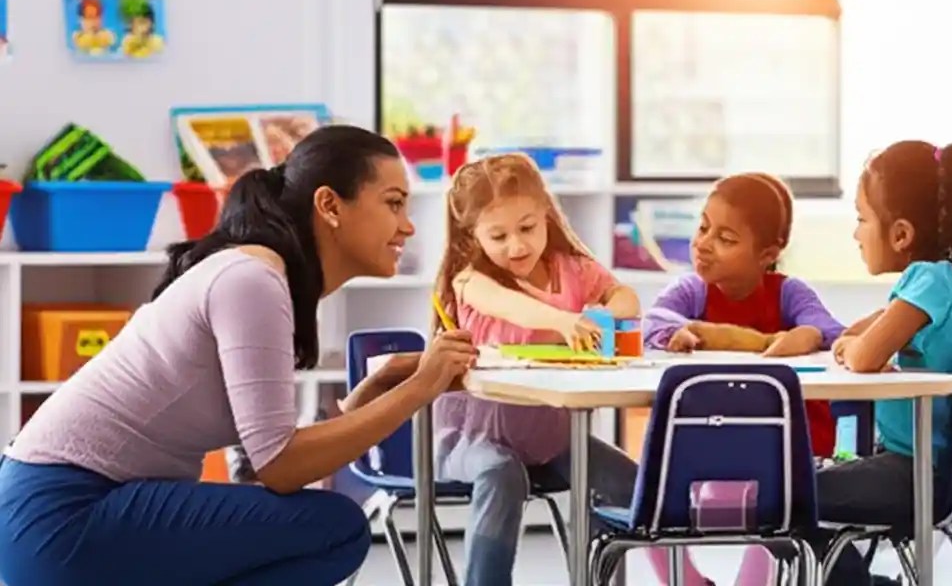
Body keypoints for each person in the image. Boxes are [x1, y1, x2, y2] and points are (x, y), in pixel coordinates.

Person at [0, 125, 478, 586]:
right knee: (335, 528)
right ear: (329, 205)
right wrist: (421, 388)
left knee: (313, 527)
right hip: (62, 514)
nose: (408, 226)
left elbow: (260, 464)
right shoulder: (254, 280)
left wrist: (372, 394)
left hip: (52, 514)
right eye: (393, 204)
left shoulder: (263, 277)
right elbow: (281, 466)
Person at [434, 153, 683, 586]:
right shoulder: (468, 279)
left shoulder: (572, 269)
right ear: (471, 237)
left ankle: (605, 575)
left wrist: (603, 315)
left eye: (528, 228)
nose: (517, 246)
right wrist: (565, 321)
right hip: (473, 439)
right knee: (501, 474)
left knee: (637, 488)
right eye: (498, 235)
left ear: (546, 214)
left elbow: (625, 298)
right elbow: (510, 306)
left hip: (549, 441)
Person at [643, 172, 846, 586]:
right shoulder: (691, 292)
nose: (703, 243)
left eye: (726, 238)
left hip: (789, 460)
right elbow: (656, 320)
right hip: (705, 454)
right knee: (645, 502)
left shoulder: (789, 293)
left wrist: (787, 336)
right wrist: (682, 334)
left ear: (767, 253)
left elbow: (829, 332)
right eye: (703, 228)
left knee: (778, 513)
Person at [817, 140, 952, 586]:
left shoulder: (928, 280)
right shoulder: (947, 280)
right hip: (930, 473)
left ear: (900, 234)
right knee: (805, 485)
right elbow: (864, 329)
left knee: (790, 493)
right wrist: (852, 342)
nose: (856, 234)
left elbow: (864, 355)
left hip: (913, 475)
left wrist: (852, 349)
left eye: (861, 219)